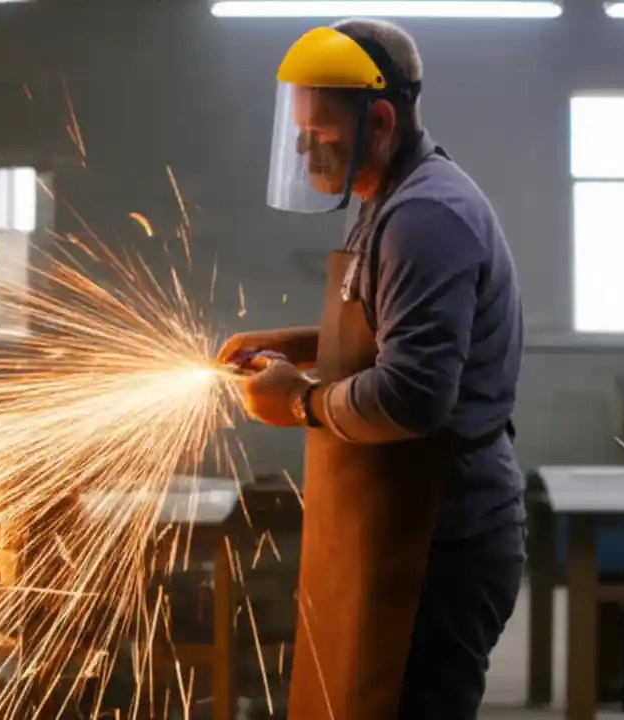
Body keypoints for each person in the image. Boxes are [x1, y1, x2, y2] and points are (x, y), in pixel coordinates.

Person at [217, 18, 526, 720]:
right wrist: (299, 345)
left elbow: (414, 395)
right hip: (403, 526)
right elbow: (390, 332)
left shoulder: (426, 217)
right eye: (297, 131)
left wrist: (299, 402)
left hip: (440, 547)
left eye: (319, 132)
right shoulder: (387, 199)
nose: (303, 147)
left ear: (380, 119)